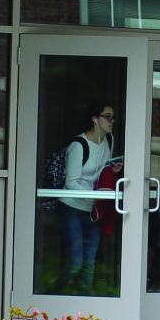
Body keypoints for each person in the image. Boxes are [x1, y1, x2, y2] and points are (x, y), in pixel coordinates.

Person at [57, 104, 117, 292]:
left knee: (90, 263)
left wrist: (112, 169)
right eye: (107, 116)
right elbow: (71, 183)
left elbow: (101, 171)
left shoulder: (109, 140)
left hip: (93, 209)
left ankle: (85, 303)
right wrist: (95, 194)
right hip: (72, 208)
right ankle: (55, 295)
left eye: (113, 117)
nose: (112, 121)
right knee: (76, 263)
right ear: (94, 119)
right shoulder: (79, 145)